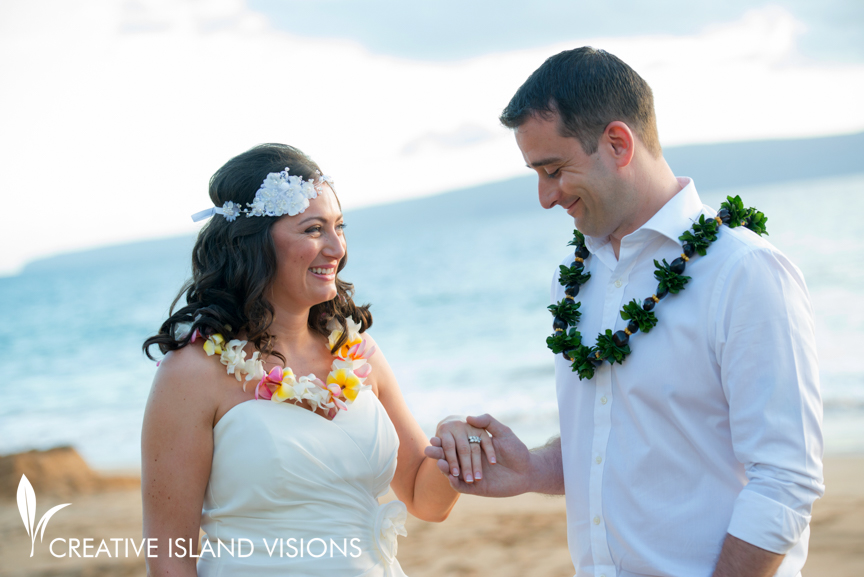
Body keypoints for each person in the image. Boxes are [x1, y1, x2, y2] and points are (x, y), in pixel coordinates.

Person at [426, 47, 824, 577]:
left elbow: (785, 480)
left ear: (617, 143)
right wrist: (534, 468)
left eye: (554, 170)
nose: (545, 197)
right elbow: (622, 433)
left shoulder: (743, 271)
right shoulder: (574, 281)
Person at [141, 143, 490, 576]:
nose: (336, 248)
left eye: (339, 227)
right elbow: (169, 557)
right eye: (312, 230)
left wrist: (460, 441)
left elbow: (424, 499)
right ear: (252, 242)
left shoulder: (359, 355)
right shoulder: (191, 375)